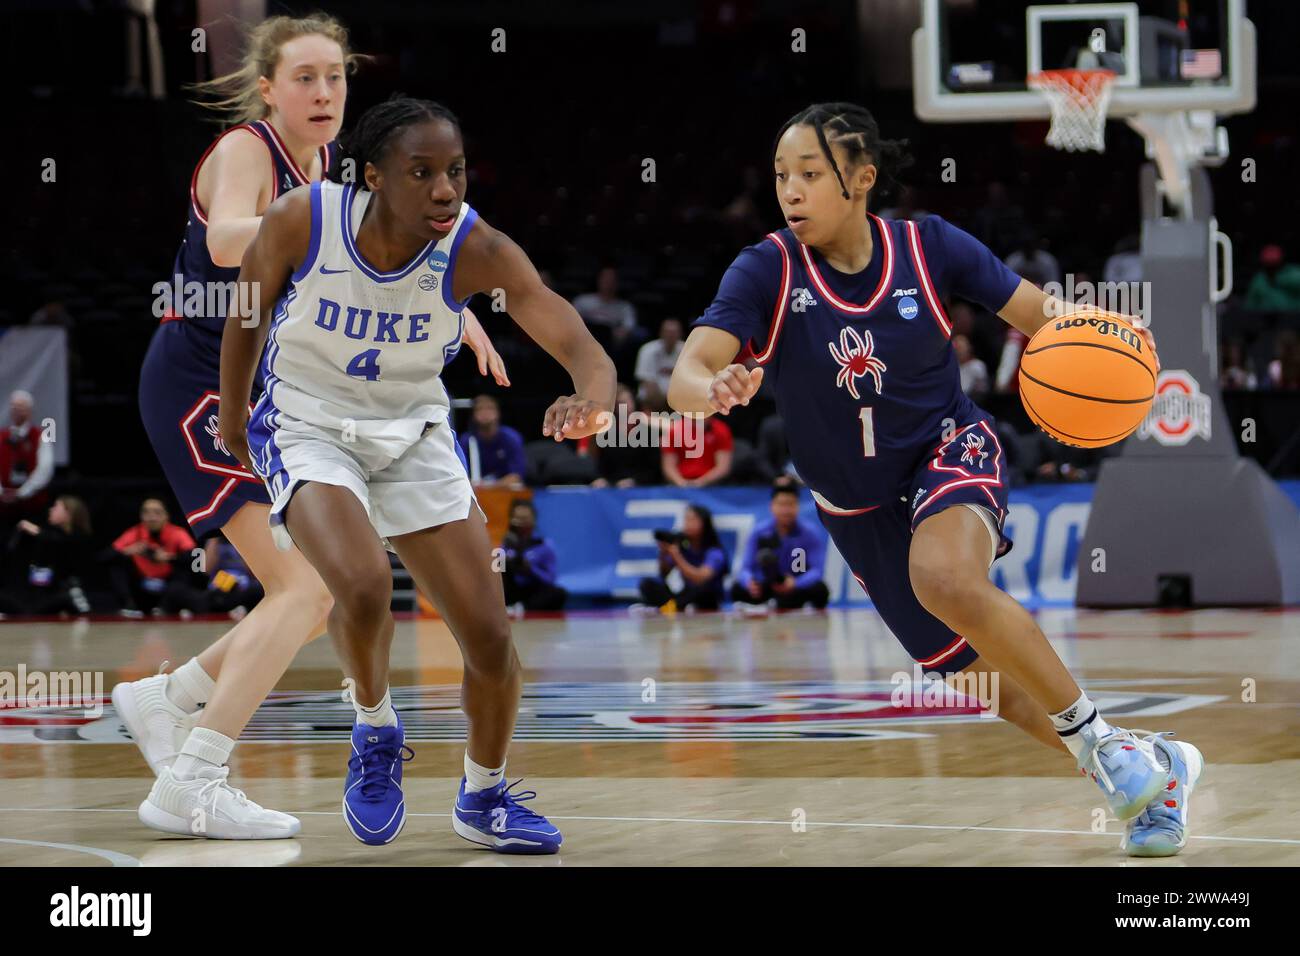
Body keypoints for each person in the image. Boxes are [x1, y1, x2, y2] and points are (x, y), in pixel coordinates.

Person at [669, 102, 1200, 858]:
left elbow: (1040, 313)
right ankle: (1152, 765)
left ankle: (1108, 751)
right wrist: (709, 389)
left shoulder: (929, 246)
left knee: (945, 578)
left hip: (948, 448)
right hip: (855, 511)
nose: (790, 191)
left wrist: (1110, 333)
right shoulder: (768, 268)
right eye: (782, 175)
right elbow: (687, 371)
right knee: (990, 688)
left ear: (860, 178)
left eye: (810, 175)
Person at [110, 13, 510, 841]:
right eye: (304, 78)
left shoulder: (330, 169)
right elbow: (226, 240)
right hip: (199, 384)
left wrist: (447, 309)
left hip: (270, 389)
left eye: (335, 77)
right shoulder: (250, 152)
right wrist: (340, 227)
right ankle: (195, 779)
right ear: (267, 89)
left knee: (315, 585)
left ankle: (171, 698)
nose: (323, 92)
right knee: (306, 588)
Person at [219, 96, 615, 853]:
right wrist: (236, 417)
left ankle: (485, 795)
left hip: (412, 431)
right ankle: (374, 728)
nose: (445, 189)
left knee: (492, 642)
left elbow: (568, 331)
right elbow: (246, 310)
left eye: (456, 171)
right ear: (373, 177)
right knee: (363, 585)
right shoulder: (306, 219)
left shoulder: (475, 247)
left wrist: (594, 396)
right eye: (422, 172)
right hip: (307, 421)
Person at [730, 479, 829, 611]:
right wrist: (749, 582)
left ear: (798, 506)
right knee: (736, 589)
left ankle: (783, 604)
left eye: (790, 504)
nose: (786, 510)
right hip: (766, 585)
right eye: (782, 504)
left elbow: (817, 571)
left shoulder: (810, 533)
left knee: (820, 590)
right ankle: (769, 603)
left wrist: (795, 583)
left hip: (794, 587)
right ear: (772, 506)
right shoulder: (759, 532)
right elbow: (745, 568)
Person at [0, 495, 92, 617]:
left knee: (76, 602)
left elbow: (62, 541)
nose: (51, 509)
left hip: (66, 591)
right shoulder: (47, 536)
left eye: (56, 507)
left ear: (68, 513)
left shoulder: (78, 536)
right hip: (41, 594)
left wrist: (37, 531)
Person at [637, 504, 727, 612]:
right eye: (686, 519)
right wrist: (664, 553)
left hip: (706, 596)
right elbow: (663, 573)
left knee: (703, 590)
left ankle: (676, 605)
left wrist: (677, 557)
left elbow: (700, 578)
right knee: (647, 583)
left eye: (692, 520)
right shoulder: (682, 545)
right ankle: (676, 605)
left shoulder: (714, 551)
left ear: (705, 523)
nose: (687, 524)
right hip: (685, 593)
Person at [0, 390, 54, 535]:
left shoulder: (41, 436)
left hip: (32, 506)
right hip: (3, 509)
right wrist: (2, 492)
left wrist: (21, 493)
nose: (16, 410)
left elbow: (45, 469)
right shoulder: (2, 436)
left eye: (21, 406)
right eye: (13, 406)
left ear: (29, 411)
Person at [500, 499, 566, 613]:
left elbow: (550, 579)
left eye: (525, 519)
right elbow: (494, 570)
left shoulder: (544, 545)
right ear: (511, 520)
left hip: (533, 589)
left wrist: (531, 569)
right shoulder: (505, 544)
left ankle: (522, 608)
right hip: (511, 591)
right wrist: (503, 562)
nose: (522, 524)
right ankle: (507, 607)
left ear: (534, 520)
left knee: (559, 593)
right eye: (518, 519)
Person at [458, 394, 526, 487]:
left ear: (498, 413)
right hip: (476, 491)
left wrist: (489, 485)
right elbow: (460, 475)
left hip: (503, 490)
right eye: (480, 409)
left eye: (489, 408)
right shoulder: (466, 441)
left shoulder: (511, 437)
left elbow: (516, 476)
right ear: (473, 415)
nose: (485, 413)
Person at [661, 413, 732, 487]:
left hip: (711, 485)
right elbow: (669, 466)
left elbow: (723, 467)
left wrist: (700, 482)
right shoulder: (674, 430)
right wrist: (681, 483)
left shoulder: (721, 429)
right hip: (679, 484)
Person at [634, 318, 684, 401]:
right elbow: (646, 381)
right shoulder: (647, 349)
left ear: (680, 334)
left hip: (678, 397)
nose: (671, 335)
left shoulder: (686, 349)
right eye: (668, 332)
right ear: (661, 333)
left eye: (674, 332)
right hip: (653, 398)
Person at [1244, 245, 1300, 312]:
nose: (1272, 270)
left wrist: (1278, 280)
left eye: (1275, 265)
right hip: (1266, 318)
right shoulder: (1259, 279)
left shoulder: (1294, 273)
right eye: (1269, 266)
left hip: (1294, 317)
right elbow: (1250, 304)